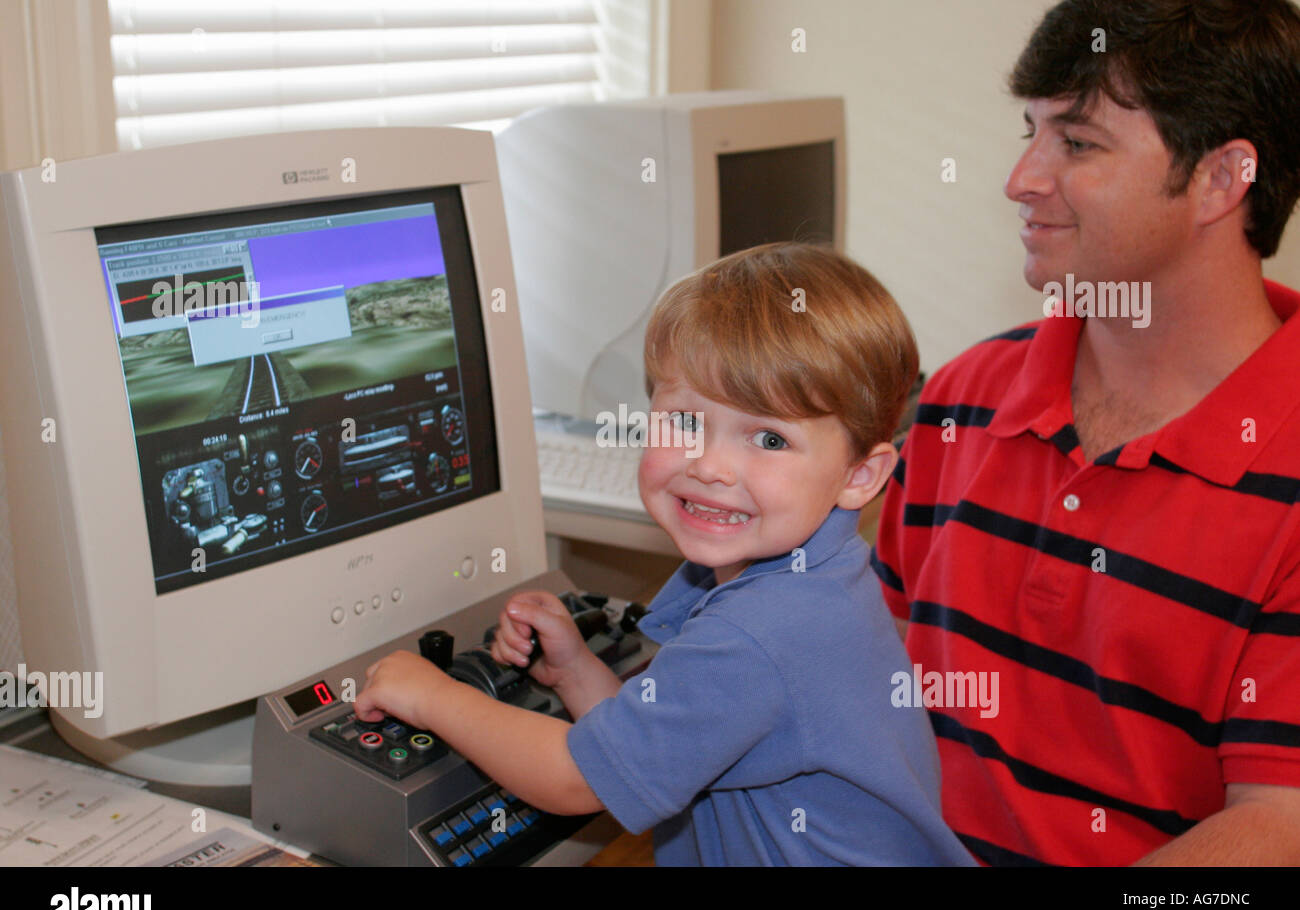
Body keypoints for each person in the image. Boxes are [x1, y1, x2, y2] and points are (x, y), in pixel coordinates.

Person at [357, 242, 973, 865]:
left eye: (768, 437)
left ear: (860, 477)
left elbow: (574, 780)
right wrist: (574, 670)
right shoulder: (809, 576)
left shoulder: (761, 632)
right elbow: (664, 745)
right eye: (684, 421)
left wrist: (431, 696)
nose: (709, 466)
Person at [872, 0, 1300, 865]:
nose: (1021, 178)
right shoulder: (962, 399)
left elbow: (1278, 829)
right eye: (1029, 133)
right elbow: (861, 680)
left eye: (1078, 143)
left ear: (1223, 179)